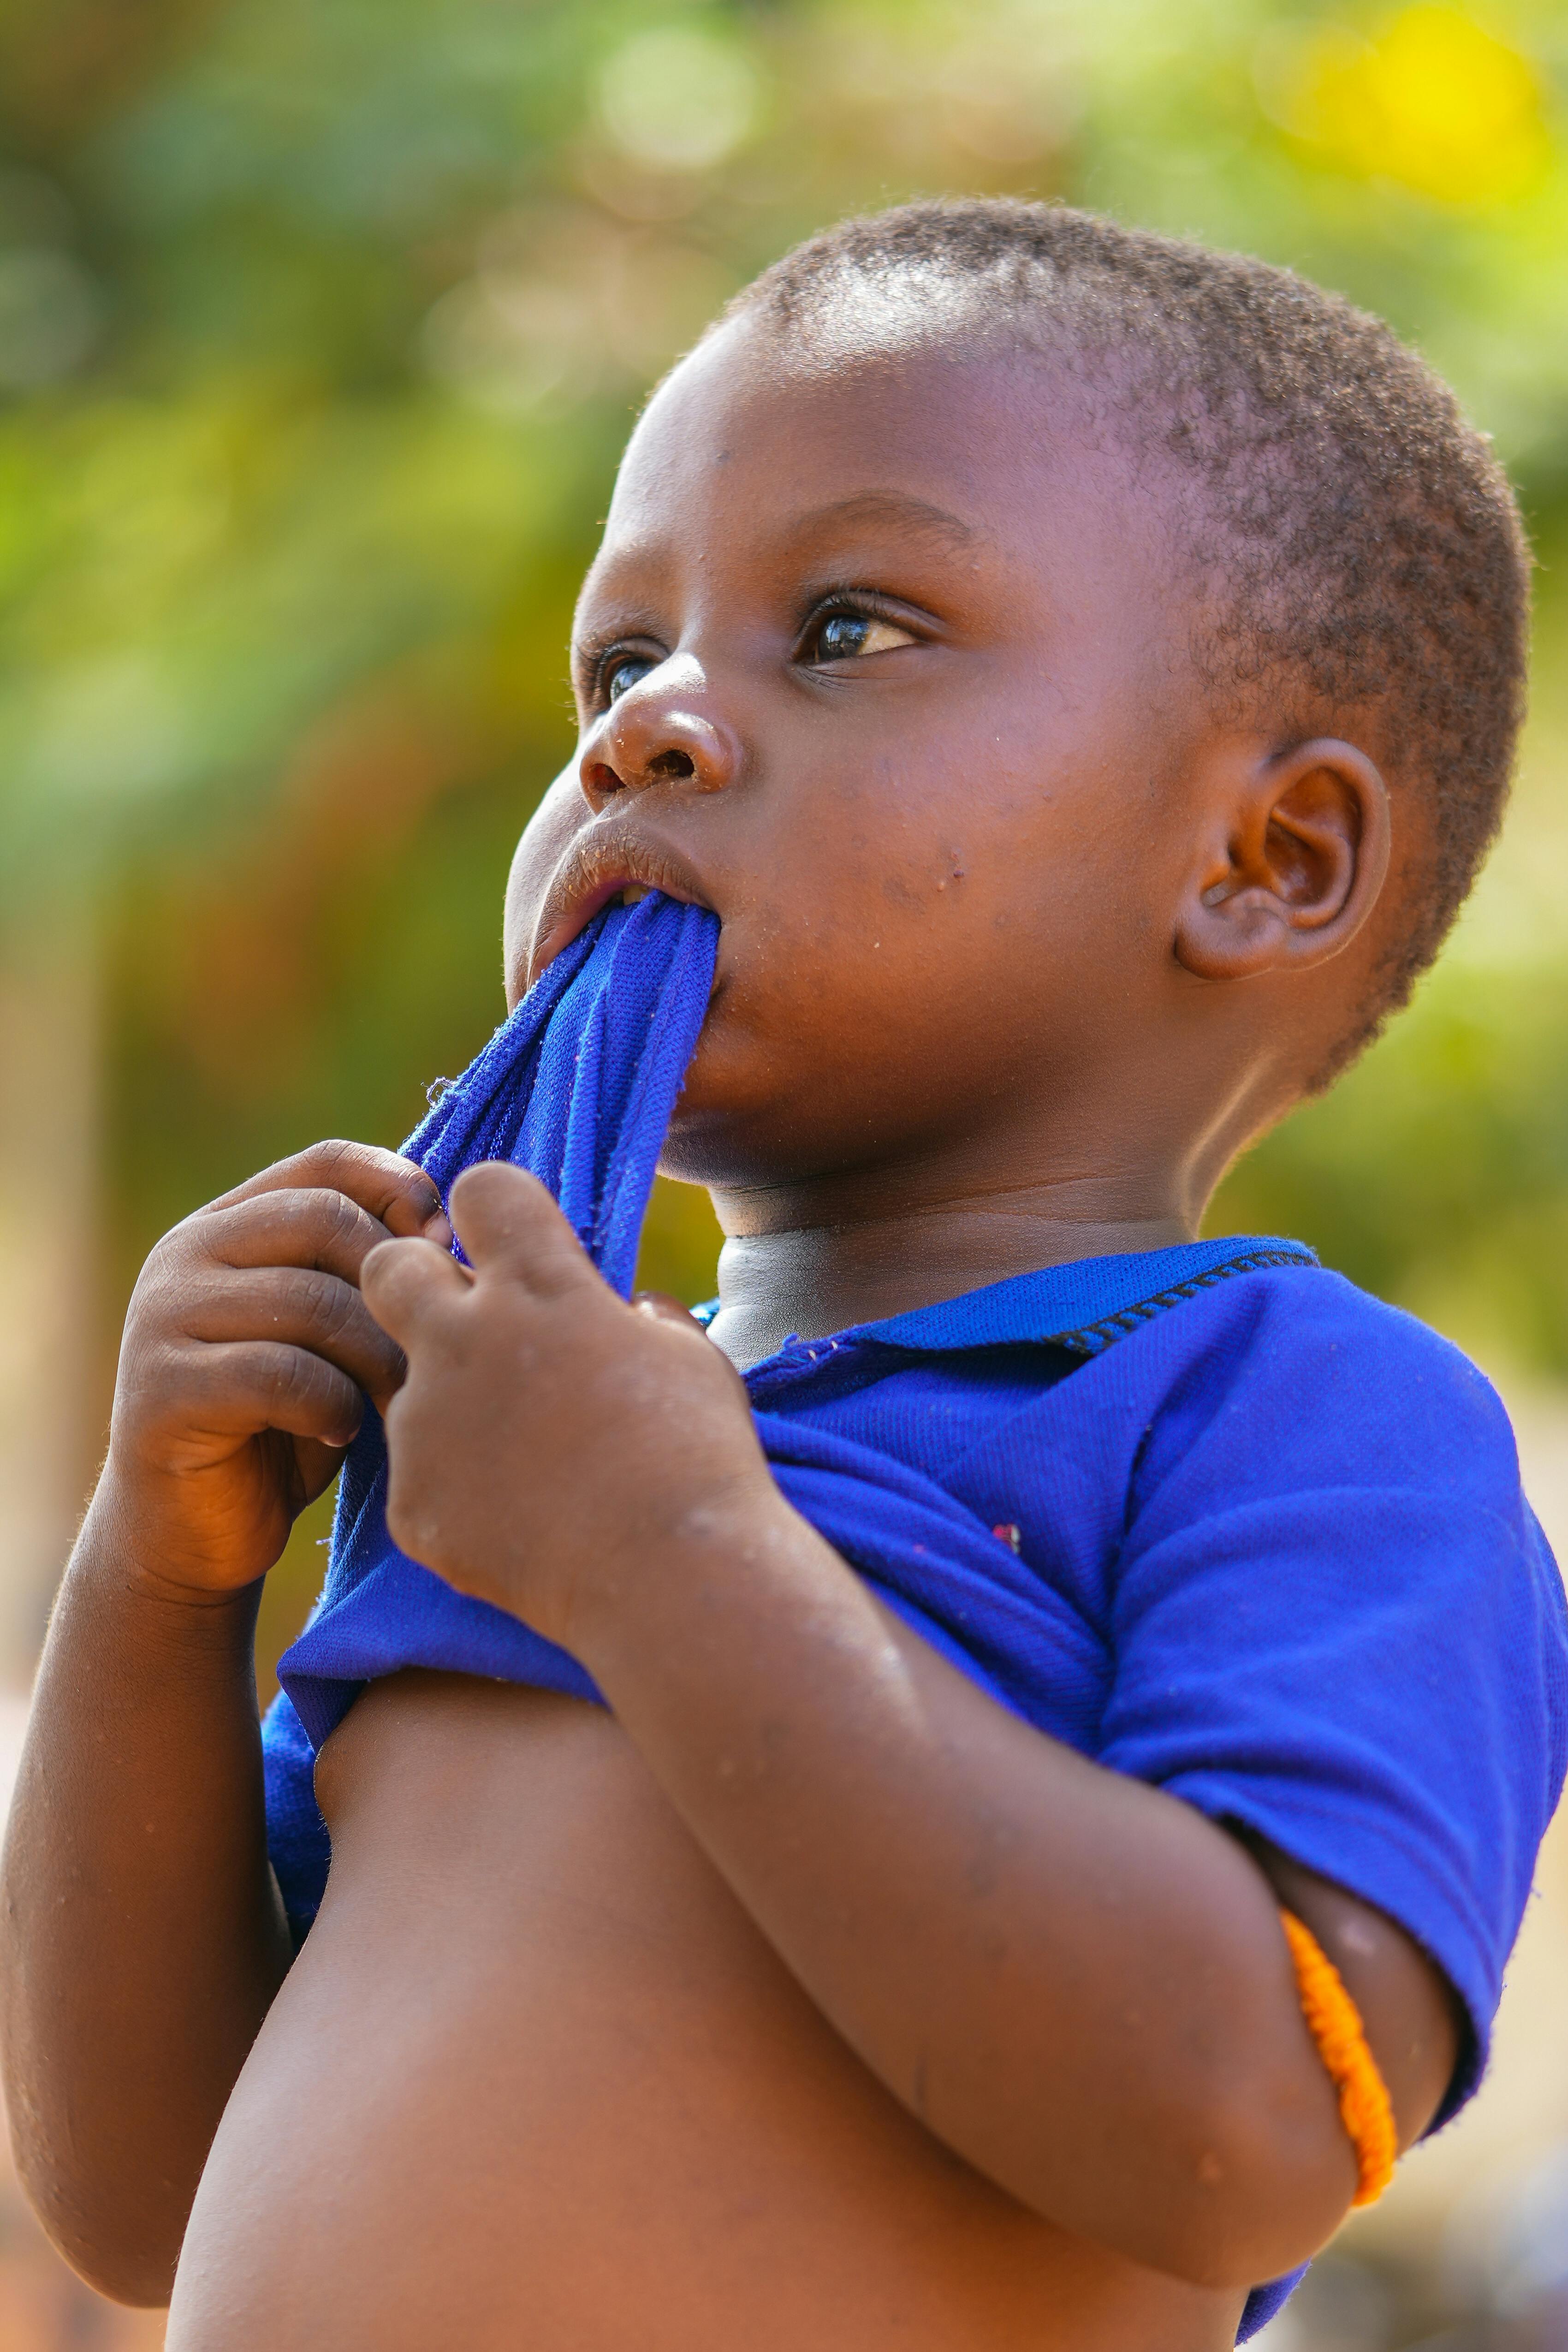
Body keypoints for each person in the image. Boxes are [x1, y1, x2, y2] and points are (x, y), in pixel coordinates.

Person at [4, 200, 1565, 2352]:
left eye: (845, 631)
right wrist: (158, 1586)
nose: (645, 731)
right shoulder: (511, 1437)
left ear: (1263, 859)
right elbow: (147, 2202)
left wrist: (662, 1549)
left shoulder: (1292, 1413)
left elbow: (1252, 2109)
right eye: (618, 660)